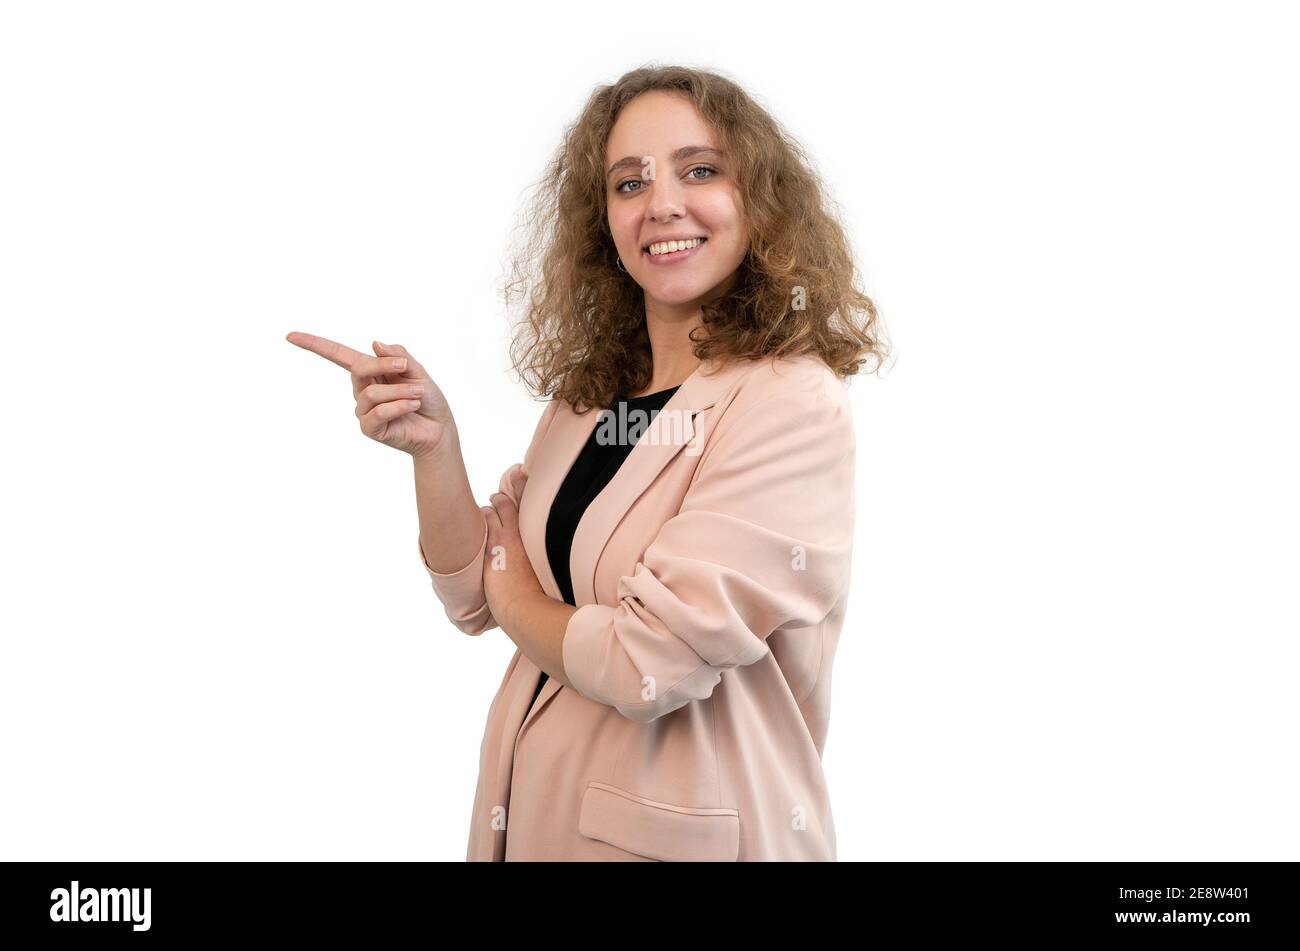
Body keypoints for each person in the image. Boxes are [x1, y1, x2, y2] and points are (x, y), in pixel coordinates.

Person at [287, 65, 889, 860]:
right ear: (603, 218)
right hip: (534, 819)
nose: (662, 203)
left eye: (699, 170)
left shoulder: (789, 404)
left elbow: (651, 661)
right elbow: (475, 593)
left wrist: (514, 592)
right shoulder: (591, 401)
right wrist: (436, 447)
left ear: (760, 198)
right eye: (628, 182)